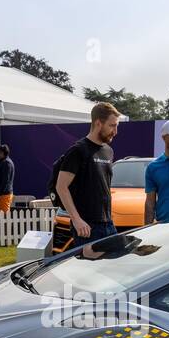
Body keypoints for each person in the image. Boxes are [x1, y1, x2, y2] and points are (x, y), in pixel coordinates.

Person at [56, 102, 121, 247]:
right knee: (89, 269)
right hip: (87, 228)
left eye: (117, 126)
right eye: (112, 125)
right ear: (98, 123)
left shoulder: (108, 151)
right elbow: (61, 187)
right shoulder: (78, 150)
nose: (115, 131)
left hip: (108, 224)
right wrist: (77, 220)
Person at [0, 144, 15, 212]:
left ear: (2, 153)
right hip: (2, 194)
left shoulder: (6, 163)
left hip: (4, 194)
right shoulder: (3, 162)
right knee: (1, 215)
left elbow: (5, 180)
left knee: (4, 216)